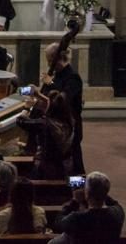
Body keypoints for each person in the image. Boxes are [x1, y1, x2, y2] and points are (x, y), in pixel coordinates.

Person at [42, 39, 85, 174]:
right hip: (57, 125)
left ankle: (78, 190)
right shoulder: (59, 75)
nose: (49, 64)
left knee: (74, 164)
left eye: (49, 60)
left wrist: (51, 83)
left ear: (57, 59)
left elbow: (63, 100)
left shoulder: (73, 78)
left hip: (69, 126)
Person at [56, 171, 125, 244]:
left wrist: (74, 201)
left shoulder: (76, 218)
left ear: (87, 194)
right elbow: (114, 203)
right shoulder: (117, 214)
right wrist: (99, 190)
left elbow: (58, 222)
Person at [18, 91, 74, 179]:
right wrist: (39, 95)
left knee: (23, 179)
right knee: (79, 182)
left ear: (51, 107)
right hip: (65, 168)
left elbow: (20, 121)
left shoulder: (45, 124)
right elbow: (56, 102)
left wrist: (27, 107)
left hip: (45, 169)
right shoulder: (70, 122)